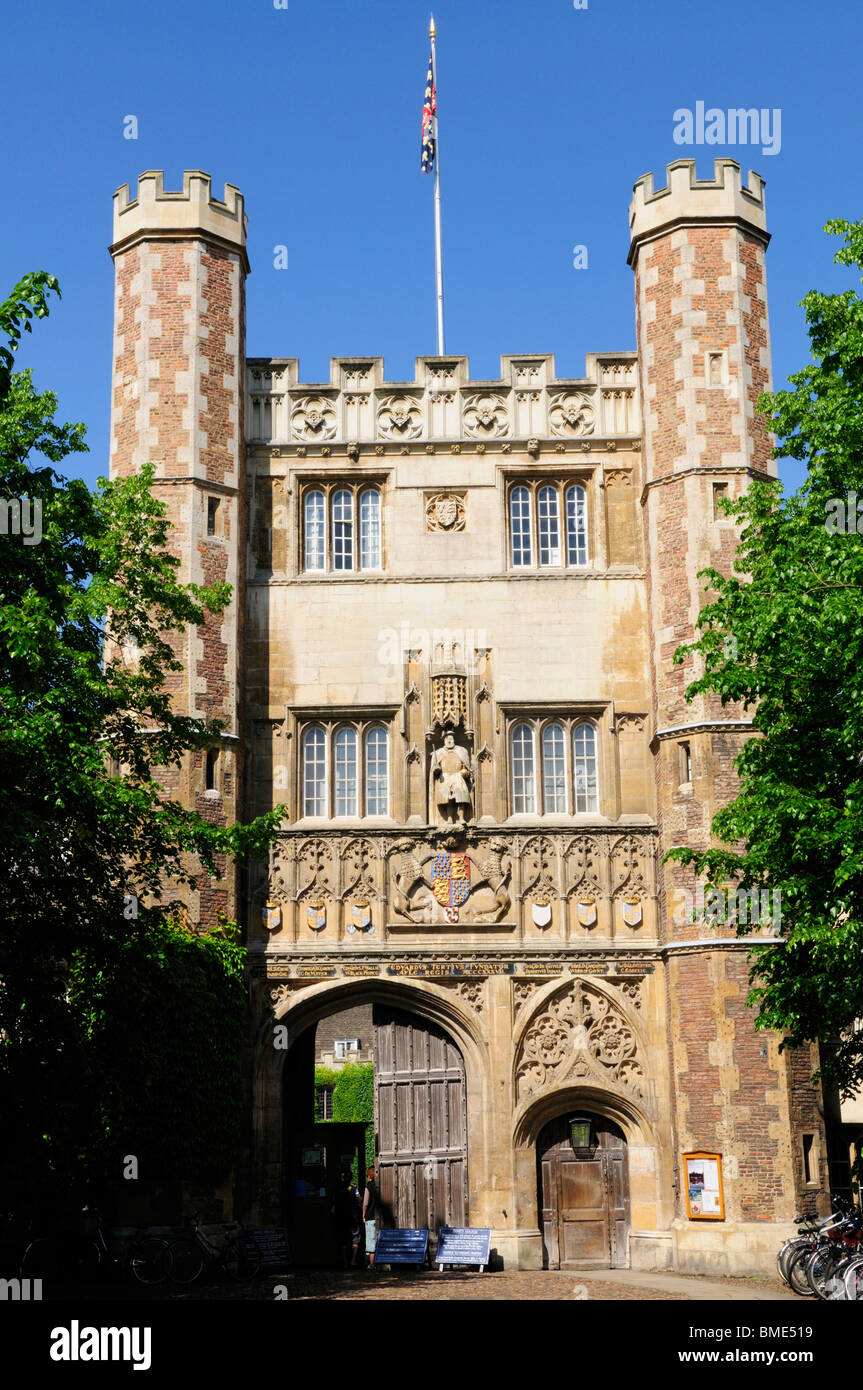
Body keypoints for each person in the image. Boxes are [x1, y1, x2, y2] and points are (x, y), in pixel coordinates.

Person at [332, 1173, 362, 1269]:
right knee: (355, 1238)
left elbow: (333, 1202)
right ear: (351, 1178)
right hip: (353, 1217)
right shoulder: (354, 1188)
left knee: (343, 1240)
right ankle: (353, 1260)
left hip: (341, 1217)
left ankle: (344, 1261)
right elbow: (359, 1200)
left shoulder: (337, 1189)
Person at [362, 1165, 378, 1271]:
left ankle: (372, 1264)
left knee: (371, 1241)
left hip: (370, 1216)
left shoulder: (368, 1186)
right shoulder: (379, 1185)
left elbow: (365, 1203)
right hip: (379, 1216)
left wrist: (363, 1214)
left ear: (370, 1176)